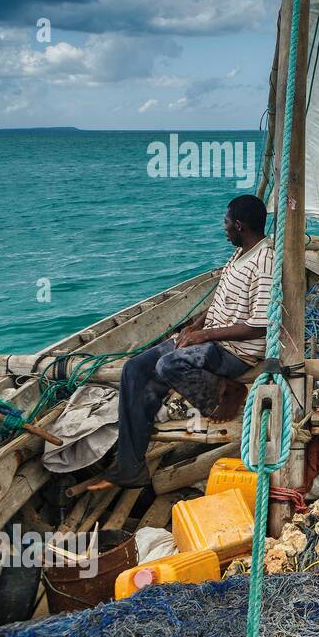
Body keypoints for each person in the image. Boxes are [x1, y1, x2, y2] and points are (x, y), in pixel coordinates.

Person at [103, 195, 274, 487]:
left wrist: (204, 335)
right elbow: (223, 303)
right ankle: (130, 467)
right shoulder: (240, 254)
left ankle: (229, 391)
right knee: (135, 368)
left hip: (235, 351)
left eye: (227, 222)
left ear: (240, 225)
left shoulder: (264, 261)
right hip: (212, 341)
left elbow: (259, 327)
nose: (224, 228)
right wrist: (196, 325)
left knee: (168, 365)